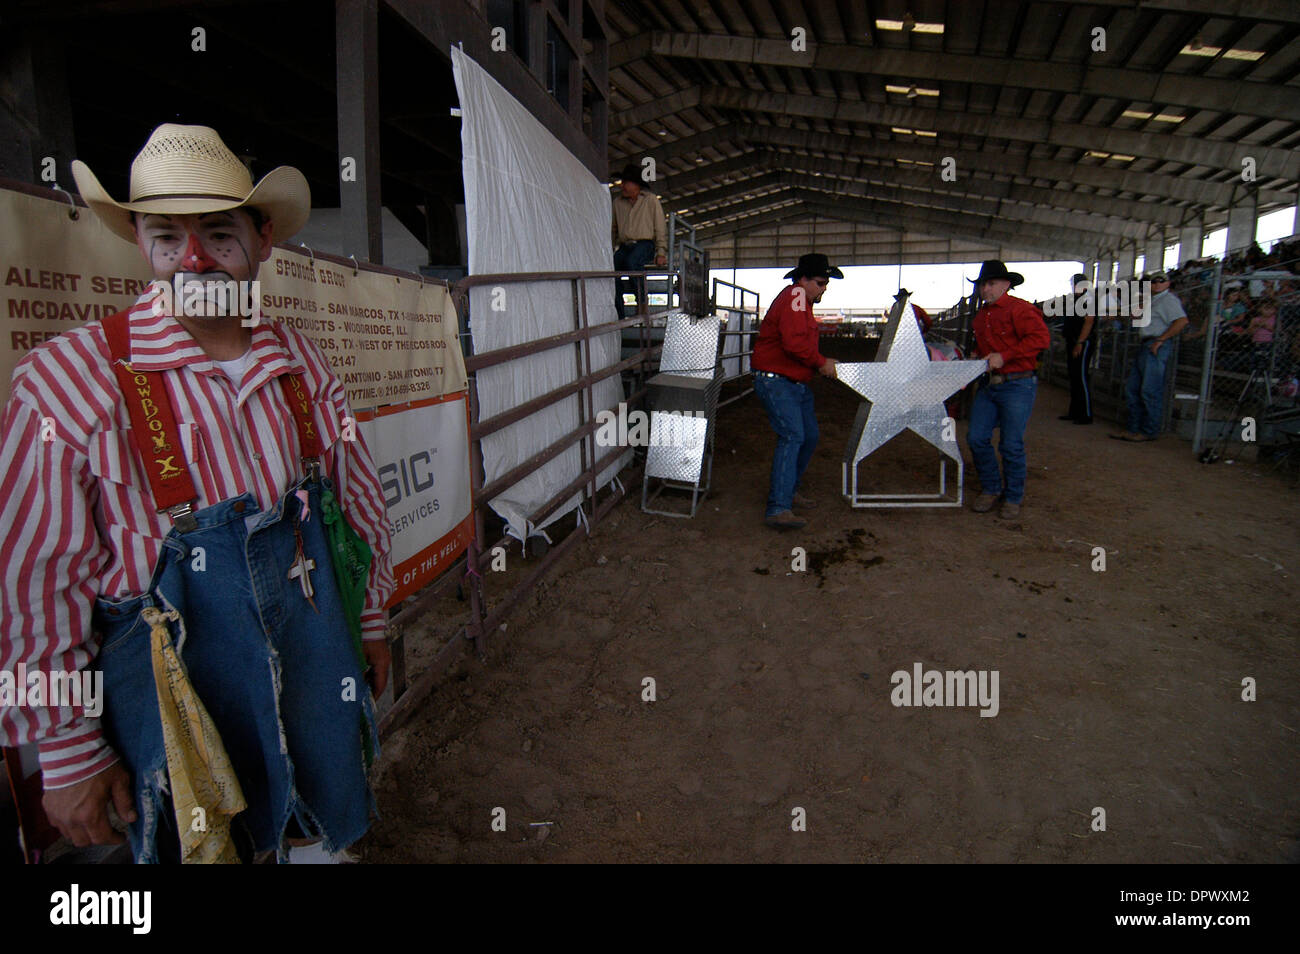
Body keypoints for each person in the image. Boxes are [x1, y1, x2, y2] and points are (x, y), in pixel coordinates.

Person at [0, 124, 394, 863]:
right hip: (172, 692)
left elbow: (356, 507)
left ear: (263, 238)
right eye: (166, 237)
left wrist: (369, 620)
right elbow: (33, 584)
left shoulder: (303, 364)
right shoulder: (67, 382)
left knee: (314, 827)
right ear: (139, 243)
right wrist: (67, 748)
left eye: (218, 234)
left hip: (312, 661)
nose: (192, 260)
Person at [751, 253, 841, 530]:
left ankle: (788, 490)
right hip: (779, 381)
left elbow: (797, 343)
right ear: (803, 280)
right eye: (820, 283)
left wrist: (818, 363)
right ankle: (779, 507)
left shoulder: (800, 300)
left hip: (792, 382)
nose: (824, 288)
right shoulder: (796, 297)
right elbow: (794, 343)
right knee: (793, 436)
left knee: (808, 436)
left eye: (826, 284)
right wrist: (821, 363)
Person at [964, 260, 1051, 519]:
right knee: (976, 438)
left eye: (991, 284)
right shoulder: (981, 317)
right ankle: (992, 488)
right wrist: (975, 358)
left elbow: (1041, 339)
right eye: (983, 284)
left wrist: (1004, 356)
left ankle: (1013, 496)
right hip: (991, 384)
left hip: (1017, 383)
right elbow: (985, 349)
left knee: (1011, 444)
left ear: (1006, 284)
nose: (985, 289)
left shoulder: (1020, 309)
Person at [1111, 271, 1188, 442]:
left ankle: (1148, 430)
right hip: (1147, 343)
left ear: (1168, 283)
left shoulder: (1168, 300)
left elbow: (1181, 321)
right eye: (1154, 282)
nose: (1157, 284)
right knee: (1133, 388)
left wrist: (1161, 339)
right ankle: (1133, 428)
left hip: (1156, 344)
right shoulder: (1152, 300)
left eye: (1161, 281)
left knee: (1149, 390)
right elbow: (1135, 315)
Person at [611, 164, 667, 318]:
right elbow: (613, 229)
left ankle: (642, 301)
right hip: (625, 245)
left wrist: (661, 251)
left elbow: (659, 226)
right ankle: (619, 312)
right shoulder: (617, 203)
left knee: (631, 262)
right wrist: (609, 249)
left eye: (625, 182)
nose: (622, 186)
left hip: (645, 244)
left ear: (635, 184)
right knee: (612, 268)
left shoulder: (650, 200)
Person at [1059, 273, 1097, 424]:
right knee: (1074, 377)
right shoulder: (1076, 299)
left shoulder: (1089, 298)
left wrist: (1080, 342)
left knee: (1080, 377)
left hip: (1082, 342)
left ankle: (1086, 414)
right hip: (1073, 340)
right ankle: (1075, 412)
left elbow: (1089, 321)